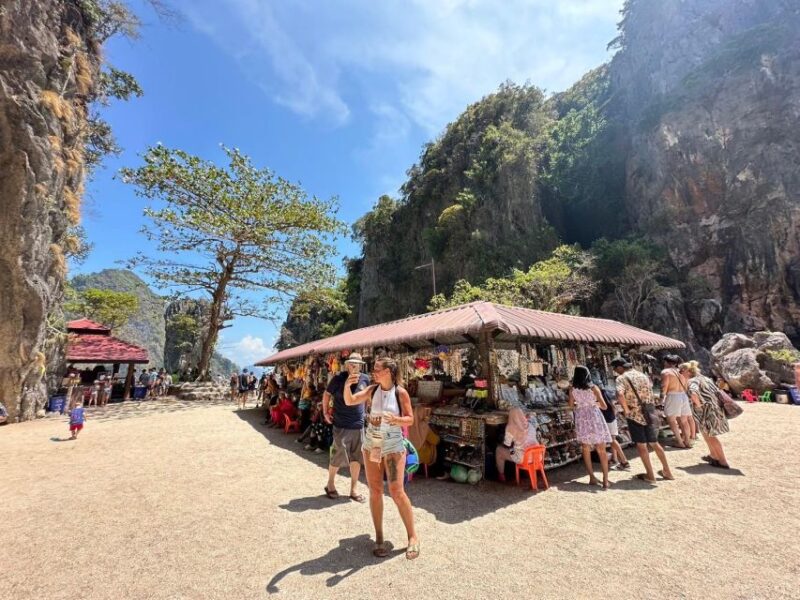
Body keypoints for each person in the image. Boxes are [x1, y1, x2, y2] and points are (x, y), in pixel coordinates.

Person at [345, 356, 419, 560]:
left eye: (377, 369)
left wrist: (396, 419)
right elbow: (350, 400)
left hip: (393, 444)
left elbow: (410, 419)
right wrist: (346, 385)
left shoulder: (400, 392)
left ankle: (413, 537)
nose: (373, 372)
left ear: (388, 372)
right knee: (375, 491)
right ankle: (379, 537)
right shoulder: (372, 390)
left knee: (396, 491)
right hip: (373, 443)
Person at [612, 357, 675, 484]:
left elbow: (619, 394)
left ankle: (650, 475)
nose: (615, 371)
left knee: (641, 445)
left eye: (615, 369)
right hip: (649, 411)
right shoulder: (642, 375)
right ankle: (667, 471)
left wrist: (626, 410)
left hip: (635, 414)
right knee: (654, 443)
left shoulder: (621, 378)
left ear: (620, 367)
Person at [323, 352, 370, 503]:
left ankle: (353, 489)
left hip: (358, 424)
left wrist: (367, 412)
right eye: (351, 363)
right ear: (347, 364)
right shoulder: (338, 378)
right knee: (338, 456)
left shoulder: (365, 379)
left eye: (357, 363)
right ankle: (330, 483)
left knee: (356, 458)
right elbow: (326, 394)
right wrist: (325, 412)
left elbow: (367, 397)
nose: (354, 365)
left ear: (361, 365)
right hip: (341, 424)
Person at [682, 361, 732, 469]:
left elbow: (694, 393)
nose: (680, 373)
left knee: (711, 436)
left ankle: (723, 461)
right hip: (715, 409)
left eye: (682, 371)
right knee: (707, 434)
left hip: (706, 412)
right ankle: (713, 455)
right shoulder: (706, 378)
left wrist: (699, 405)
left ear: (688, 372)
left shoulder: (692, 381)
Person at [569, 366, 612, 488]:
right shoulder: (593, 388)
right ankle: (605, 480)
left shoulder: (573, 389)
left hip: (582, 418)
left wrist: (581, 404)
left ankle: (592, 477)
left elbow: (571, 406)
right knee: (601, 449)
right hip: (595, 417)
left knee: (586, 448)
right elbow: (604, 406)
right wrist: (593, 404)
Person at [495, 394, 538, 482]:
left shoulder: (510, 428)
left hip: (523, 458)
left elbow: (507, 444)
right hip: (536, 456)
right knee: (515, 448)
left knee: (499, 450)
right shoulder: (530, 425)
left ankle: (501, 476)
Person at [595, 377, 630, 470]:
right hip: (611, 418)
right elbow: (613, 406)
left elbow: (603, 407)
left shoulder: (599, 394)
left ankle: (624, 460)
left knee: (612, 440)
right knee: (613, 439)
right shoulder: (607, 392)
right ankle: (615, 459)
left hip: (605, 419)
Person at [660, 355, 694, 448]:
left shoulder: (666, 372)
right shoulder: (682, 371)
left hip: (673, 396)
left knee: (671, 420)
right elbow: (687, 386)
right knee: (684, 421)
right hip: (683, 396)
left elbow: (664, 387)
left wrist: (661, 400)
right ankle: (687, 441)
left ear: (666, 362)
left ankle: (680, 442)